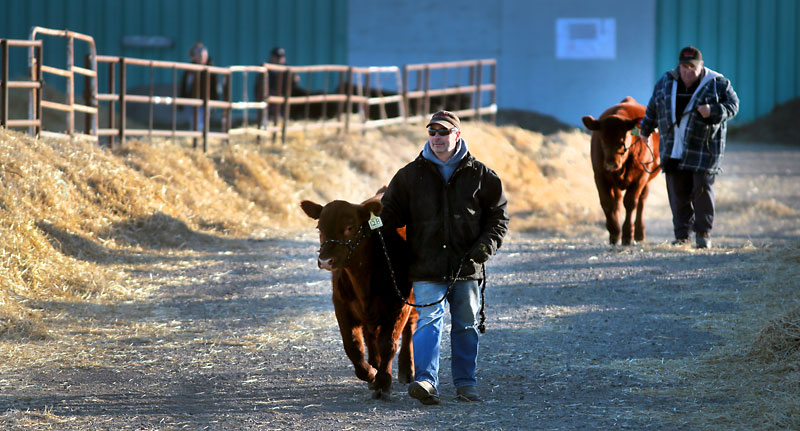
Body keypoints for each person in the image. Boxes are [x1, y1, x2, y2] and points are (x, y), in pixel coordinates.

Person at [379, 110, 509, 405]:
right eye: (432, 132)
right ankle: (426, 381)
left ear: (457, 135)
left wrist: (484, 249)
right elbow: (389, 213)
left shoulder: (482, 175)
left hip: (467, 267)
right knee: (428, 321)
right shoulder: (409, 175)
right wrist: (370, 223)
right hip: (425, 266)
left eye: (443, 132)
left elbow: (498, 219)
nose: (437, 137)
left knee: (465, 324)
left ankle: (466, 384)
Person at [639, 46, 739, 249]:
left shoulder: (717, 83)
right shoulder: (665, 82)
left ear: (701, 66)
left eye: (692, 67)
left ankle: (703, 235)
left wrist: (713, 110)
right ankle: (682, 235)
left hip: (704, 149)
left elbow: (733, 106)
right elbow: (652, 108)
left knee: (701, 191)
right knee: (678, 194)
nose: (687, 72)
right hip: (673, 148)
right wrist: (645, 130)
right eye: (684, 67)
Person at [180, 42, 222, 130]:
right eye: (199, 55)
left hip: (205, 99)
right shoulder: (190, 69)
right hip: (191, 100)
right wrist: (182, 100)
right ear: (194, 57)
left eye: (203, 56)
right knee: (194, 122)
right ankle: (195, 140)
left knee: (201, 123)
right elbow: (184, 85)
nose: (201, 58)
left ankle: (200, 140)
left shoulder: (211, 69)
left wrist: (215, 100)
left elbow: (216, 87)